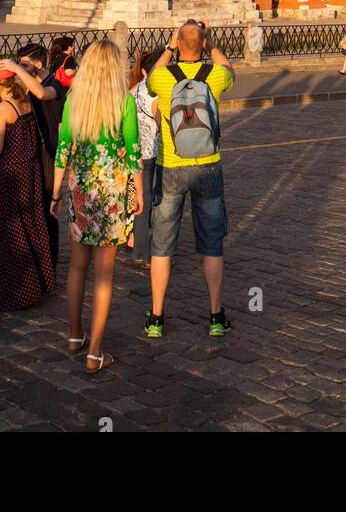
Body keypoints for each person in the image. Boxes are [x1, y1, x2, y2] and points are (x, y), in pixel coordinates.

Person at [52, 40, 143, 373]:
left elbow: (63, 148)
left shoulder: (74, 100)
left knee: (77, 266)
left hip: (80, 190)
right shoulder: (125, 101)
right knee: (105, 274)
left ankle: (75, 335)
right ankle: (94, 352)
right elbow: (133, 150)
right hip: (113, 191)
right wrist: (140, 191)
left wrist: (55, 192)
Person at [145, 21, 234, 340]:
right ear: (204, 43)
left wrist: (169, 48)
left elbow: (149, 80)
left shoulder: (164, 77)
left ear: (179, 44)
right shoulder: (216, 76)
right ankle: (215, 315)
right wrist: (210, 44)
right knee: (212, 244)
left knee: (162, 245)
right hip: (208, 166)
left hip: (171, 166)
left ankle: (156, 316)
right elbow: (228, 67)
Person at [0, 61, 55, 313]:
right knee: (30, 223)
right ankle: (38, 282)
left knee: (5, 229)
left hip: (9, 172)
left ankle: (14, 287)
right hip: (31, 171)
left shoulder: (2, 109)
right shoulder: (27, 102)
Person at [18, 42, 64, 268]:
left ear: (38, 64)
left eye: (25, 64)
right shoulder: (30, 84)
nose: (21, 68)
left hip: (51, 151)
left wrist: (17, 72)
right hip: (34, 150)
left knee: (48, 208)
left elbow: (43, 94)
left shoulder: (53, 84)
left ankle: (50, 262)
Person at [128, 49, 161, 267]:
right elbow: (159, 121)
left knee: (138, 199)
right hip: (151, 151)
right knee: (148, 201)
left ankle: (136, 243)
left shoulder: (133, 89)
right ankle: (143, 250)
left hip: (135, 150)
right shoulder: (157, 93)